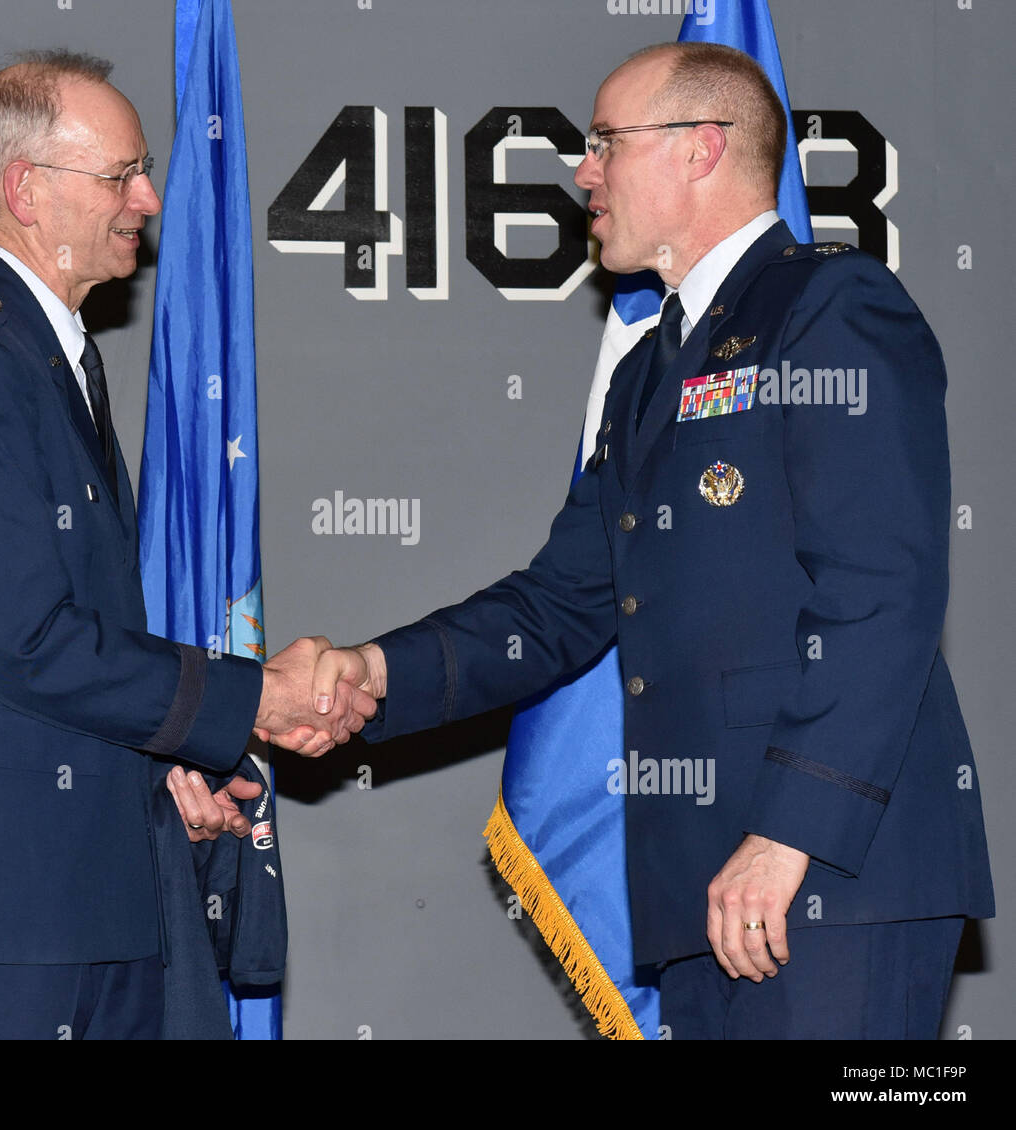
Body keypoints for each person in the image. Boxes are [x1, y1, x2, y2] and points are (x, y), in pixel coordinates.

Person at [291, 42, 994, 1039]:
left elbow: (880, 589)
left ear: (700, 149)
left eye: (605, 143)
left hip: (828, 876)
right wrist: (368, 673)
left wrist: (786, 831)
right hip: (703, 888)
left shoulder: (831, 308)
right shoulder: (647, 372)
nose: (582, 171)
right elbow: (560, 605)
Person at [0, 50, 373, 1039]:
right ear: (26, 190)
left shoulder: (43, 353)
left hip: (80, 890)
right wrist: (250, 698)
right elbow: (30, 640)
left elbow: (60, 649)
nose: (147, 195)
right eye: (121, 174)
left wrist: (167, 773)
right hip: (7, 911)